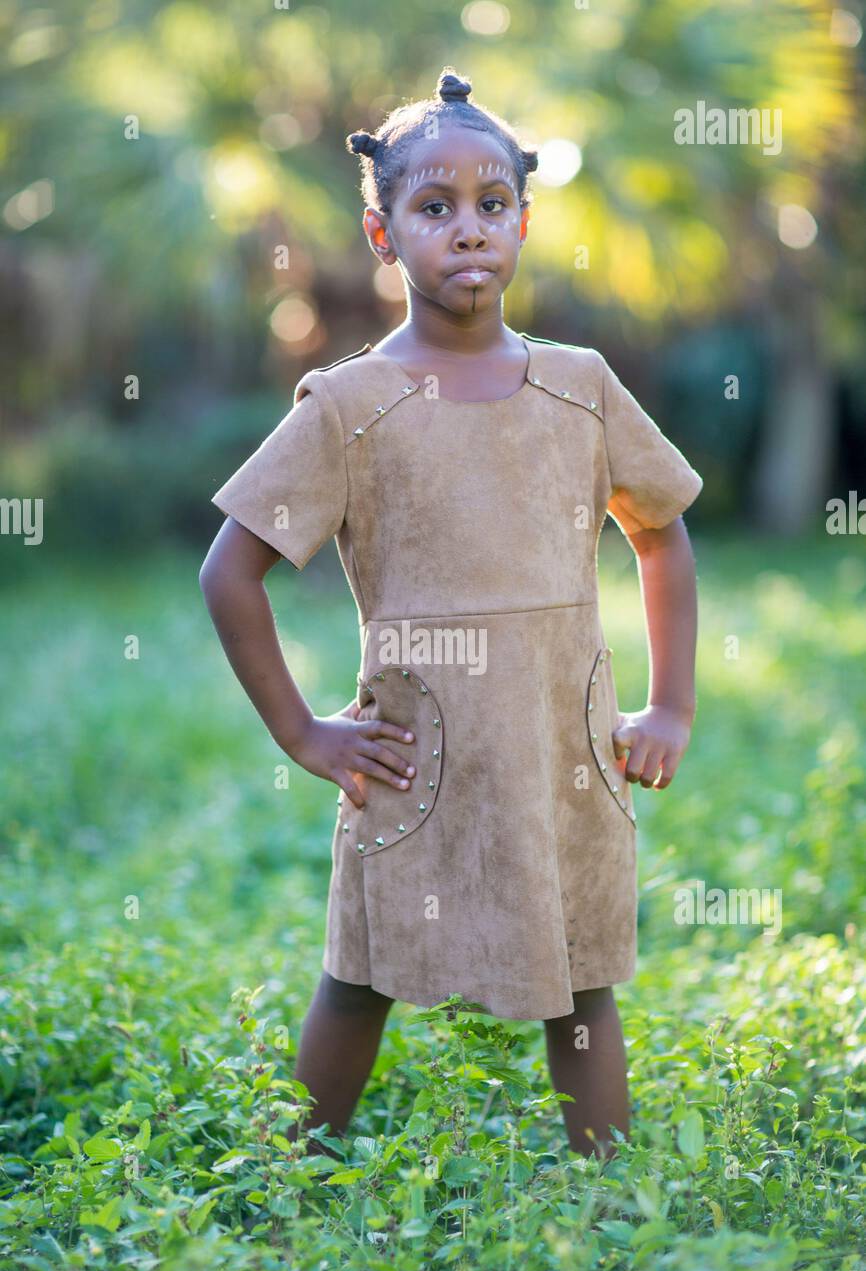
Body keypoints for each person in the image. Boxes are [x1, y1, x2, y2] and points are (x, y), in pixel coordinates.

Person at [200, 66, 704, 1161]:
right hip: (413, 754)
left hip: (556, 752)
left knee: (581, 982)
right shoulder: (348, 406)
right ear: (384, 236)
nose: (466, 229)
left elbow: (658, 531)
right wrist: (305, 732)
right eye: (433, 208)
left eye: (491, 204)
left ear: (524, 220)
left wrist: (666, 707)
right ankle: (295, 1174)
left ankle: (608, 1198)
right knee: (359, 974)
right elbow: (228, 572)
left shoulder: (580, 387)